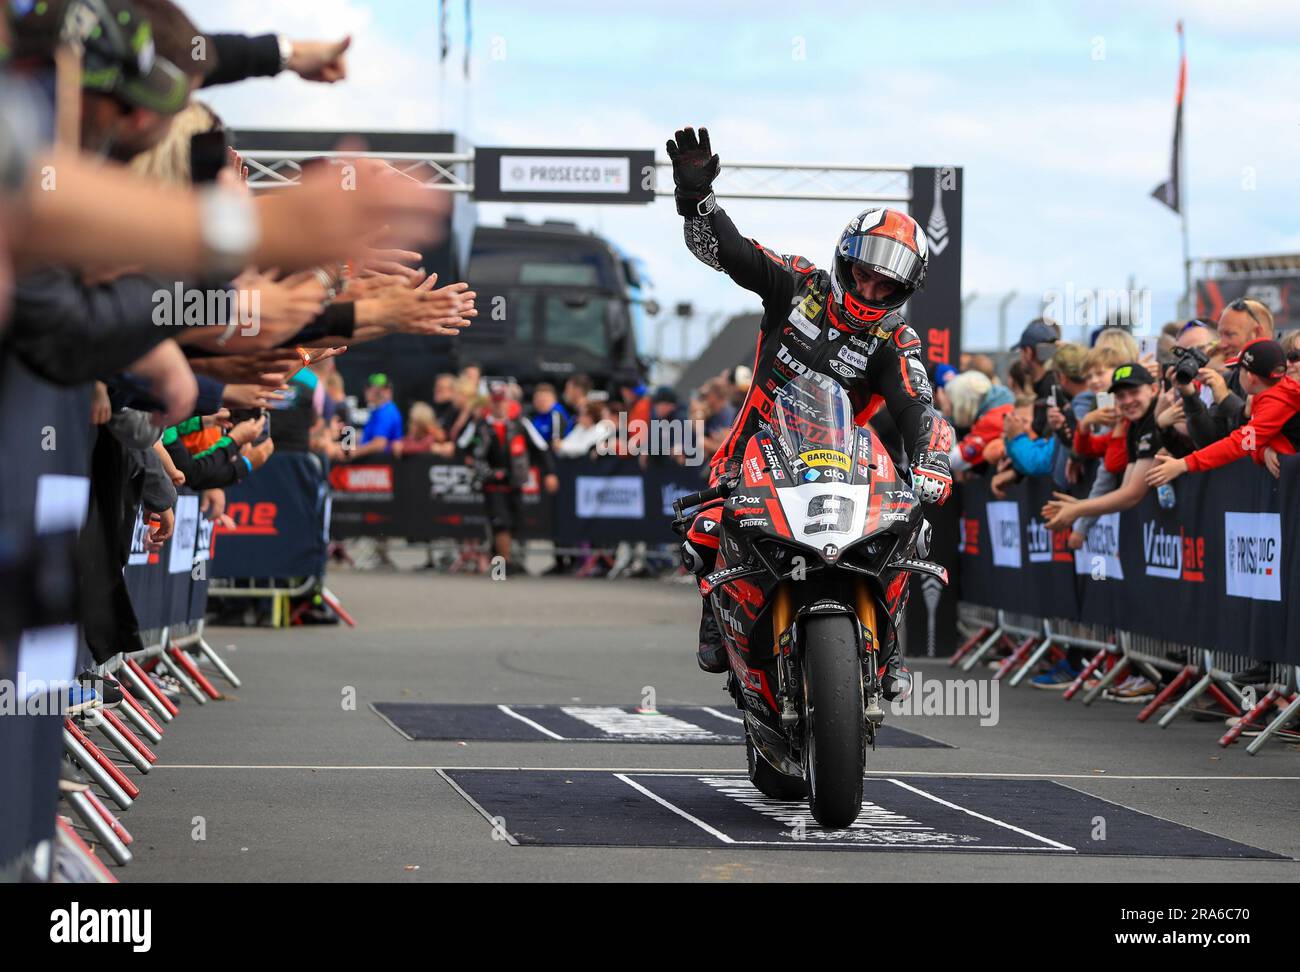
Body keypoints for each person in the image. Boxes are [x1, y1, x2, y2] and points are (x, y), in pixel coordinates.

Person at [667, 126, 952, 698]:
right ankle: (721, 617)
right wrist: (697, 202)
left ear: (902, 292)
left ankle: (887, 643)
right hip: (756, 450)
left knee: (908, 533)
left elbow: (918, 405)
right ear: (844, 261)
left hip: (846, 461)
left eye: (884, 286)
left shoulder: (897, 341)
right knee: (702, 531)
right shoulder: (799, 284)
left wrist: (931, 460)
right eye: (863, 275)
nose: (869, 291)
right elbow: (733, 254)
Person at [1148, 339, 1300, 484]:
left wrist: (1183, 464)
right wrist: (1263, 451)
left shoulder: (1276, 402)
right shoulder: (1278, 390)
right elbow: (1252, 444)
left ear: (1249, 377)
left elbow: (1238, 444)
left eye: (1239, 369)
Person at [1041, 363, 1160, 531]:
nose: (1127, 401)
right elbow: (1127, 488)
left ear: (1154, 390)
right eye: (1120, 396)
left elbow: (1132, 493)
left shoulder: (1152, 419)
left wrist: (1078, 509)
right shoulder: (1135, 423)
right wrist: (1085, 423)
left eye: (1134, 392)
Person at [457, 382, 560, 574]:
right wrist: (469, 458)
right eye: (495, 402)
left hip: (514, 481)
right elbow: (462, 444)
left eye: (501, 401)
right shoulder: (481, 424)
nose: (498, 405)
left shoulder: (520, 423)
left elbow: (541, 448)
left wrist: (550, 473)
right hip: (491, 482)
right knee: (500, 523)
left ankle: (506, 562)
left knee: (513, 523)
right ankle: (503, 566)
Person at [346, 373, 402, 459]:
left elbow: (379, 443)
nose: (365, 392)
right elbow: (368, 435)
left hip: (380, 466)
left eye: (368, 388)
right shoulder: (378, 411)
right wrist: (346, 438)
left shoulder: (386, 412)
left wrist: (354, 452)